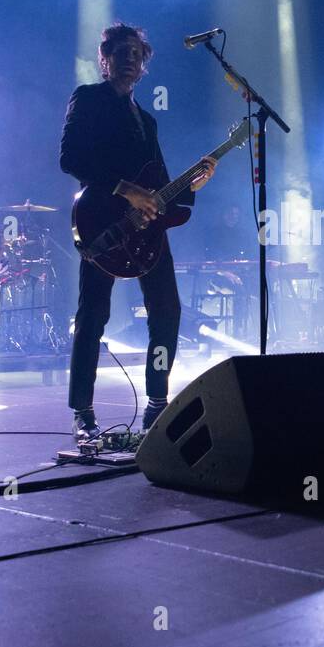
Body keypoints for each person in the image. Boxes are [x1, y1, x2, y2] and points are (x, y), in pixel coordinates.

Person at [60, 22, 217, 440]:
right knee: (93, 315)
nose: (131, 60)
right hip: (102, 223)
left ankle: (156, 404)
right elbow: (71, 158)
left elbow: (162, 182)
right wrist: (125, 189)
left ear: (144, 64)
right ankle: (82, 411)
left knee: (168, 313)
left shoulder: (147, 121)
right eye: (122, 53)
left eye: (137, 54)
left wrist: (192, 185)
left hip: (148, 232)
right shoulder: (88, 99)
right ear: (105, 58)